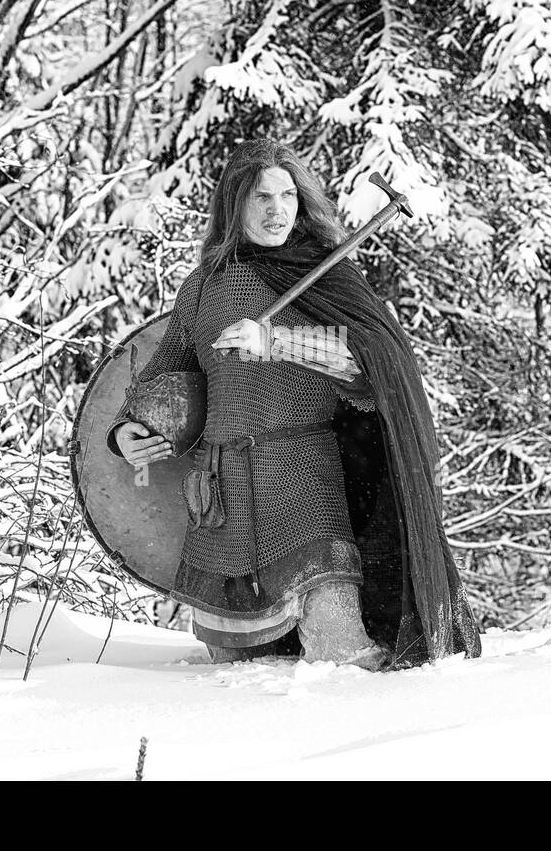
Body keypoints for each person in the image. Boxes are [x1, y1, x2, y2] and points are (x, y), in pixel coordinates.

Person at [106, 139, 481, 669]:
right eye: (262, 197)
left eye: (288, 196)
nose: (278, 210)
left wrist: (277, 342)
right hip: (221, 495)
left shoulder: (326, 274)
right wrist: (128, 427)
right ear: (233, 204)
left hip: (304, 481)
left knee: (341, 653)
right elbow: (170, 363)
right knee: (234, 671)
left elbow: (372, 368)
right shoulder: (204, 287)